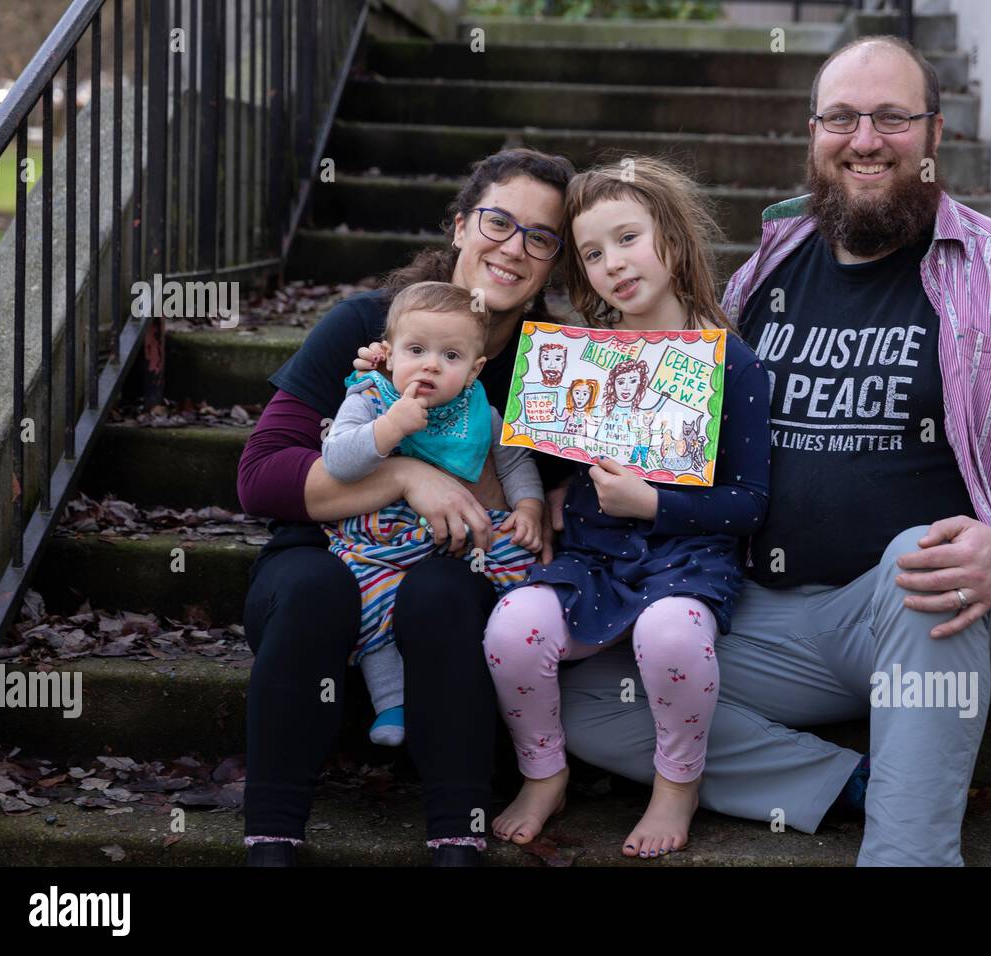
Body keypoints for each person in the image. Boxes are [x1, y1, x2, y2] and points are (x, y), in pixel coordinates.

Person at [557, 36, 991, 866]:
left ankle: (905, 852)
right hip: (758, 611)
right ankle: (840, 782)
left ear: (934, 134)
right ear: (813, 132)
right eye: (842, 118)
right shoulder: (764, 274)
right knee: (582, 693)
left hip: (923, 611)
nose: (865, 139)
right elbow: (665, 392)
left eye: (892, 117)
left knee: (924, 558)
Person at [236, 148, 576, 867]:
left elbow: (546, 506)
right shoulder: (369, 327)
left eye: (540, 238)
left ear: (554, 262)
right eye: (498, 222)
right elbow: (261, 476)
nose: (514, 248)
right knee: (311, 586)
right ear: (459, 227)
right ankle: (271, 838)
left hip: (451, 586)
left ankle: (458, 833)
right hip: (329, 560)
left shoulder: (554, 366)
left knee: (445, 590)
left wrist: (541, 498)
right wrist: (402, 478)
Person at [482, 156, 772, 859]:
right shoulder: (587, 358)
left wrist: (654, 504)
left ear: (670, 242)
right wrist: (551, 488)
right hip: (591, 558)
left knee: (671, 637)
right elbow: (551, 451)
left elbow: (751, 504)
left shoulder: (730, 363)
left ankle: (677, 783)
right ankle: (543, 772)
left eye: (627, 238)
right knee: (511, 628)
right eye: (591, 252)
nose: (612, 263)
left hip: (687, 558)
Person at [320, 281, 545, 748]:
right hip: (383, 537)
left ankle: (518, 666)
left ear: (474, 369)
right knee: (369, 600)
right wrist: (387, 430)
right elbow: (338, 461)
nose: (430, 364)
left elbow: (516, 462)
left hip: (462, 531)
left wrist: (528, 506)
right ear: (388, 354)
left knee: (524, 563)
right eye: (417, 349)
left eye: (450, 356)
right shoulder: (370, 398)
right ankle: (392, 702)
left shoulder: (480, 413)